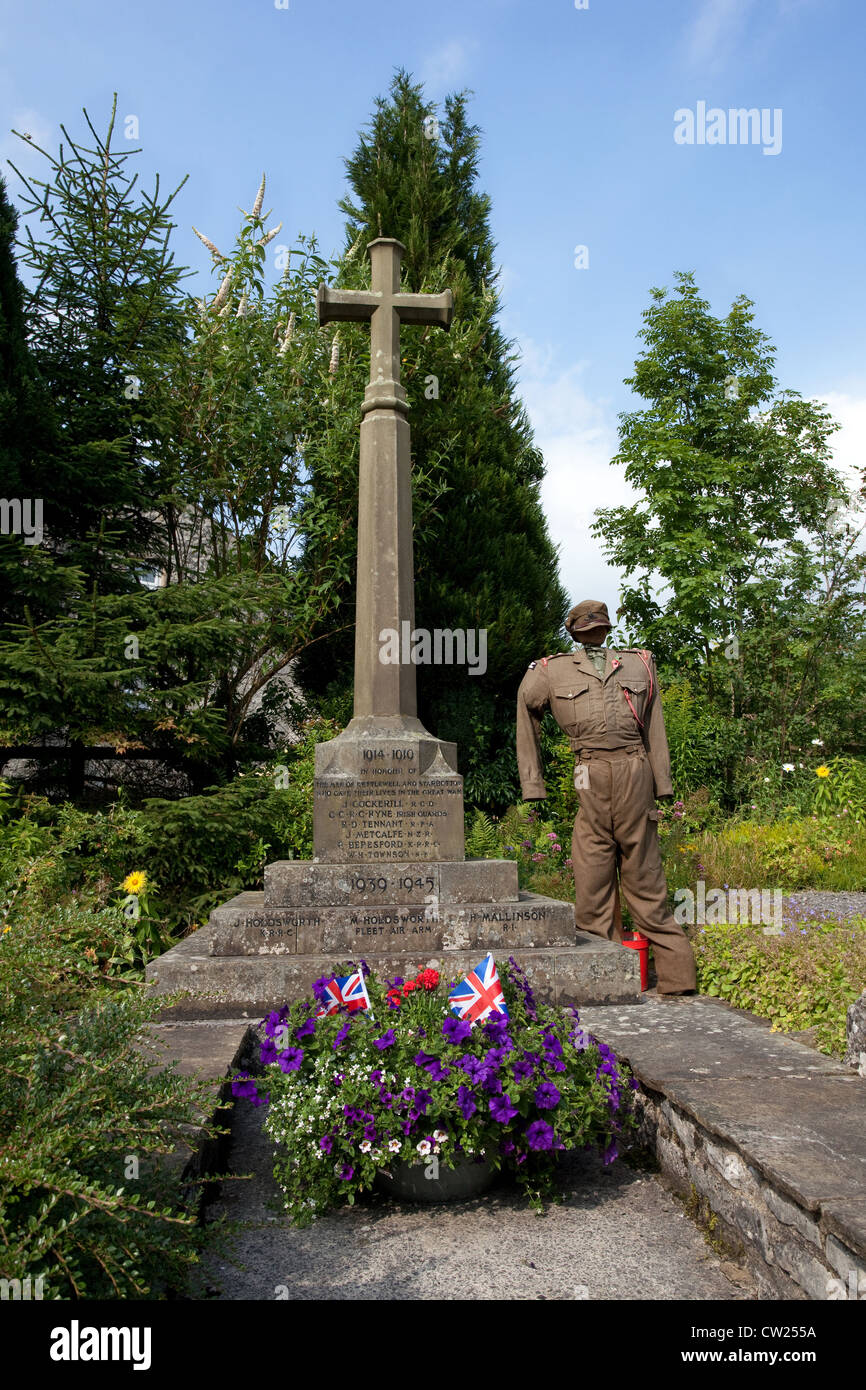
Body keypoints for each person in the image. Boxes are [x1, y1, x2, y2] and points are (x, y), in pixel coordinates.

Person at [516, 600, 697, 997]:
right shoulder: (550, 670)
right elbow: (525, 712)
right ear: (580, 633)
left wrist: (661, 782)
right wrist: (534, 783)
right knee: (592, 872)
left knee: (645, 875)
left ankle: (677, 978)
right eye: (589, 628)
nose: (592, 633)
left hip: (635, 769)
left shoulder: (639, 663)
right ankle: (606, 974)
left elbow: (655, 725)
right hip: (588, 772)